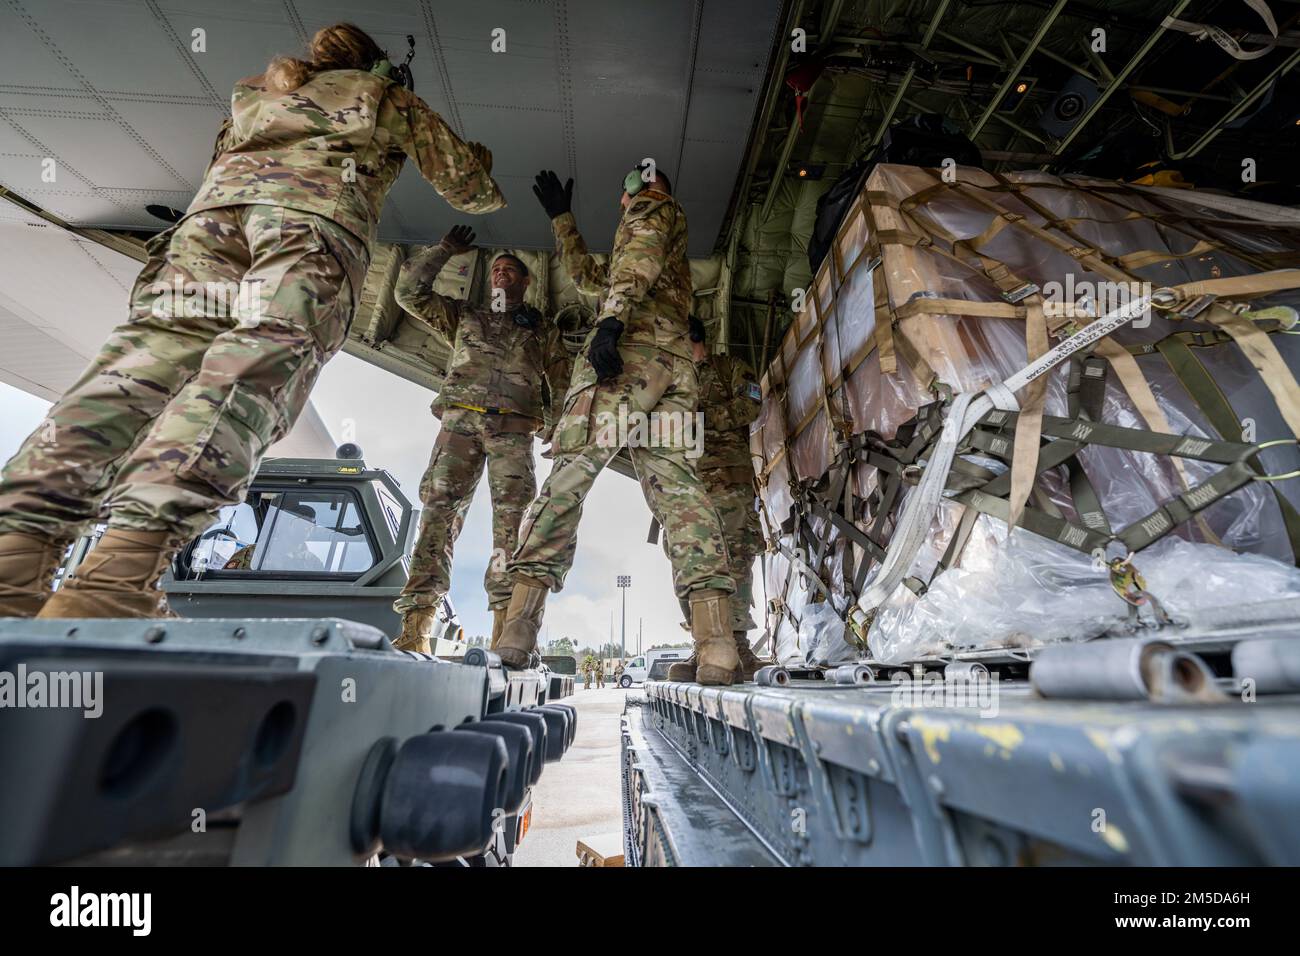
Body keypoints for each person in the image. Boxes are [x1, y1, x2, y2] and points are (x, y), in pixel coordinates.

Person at [0, 22, 503, 619]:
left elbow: (220, 159)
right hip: (309, 224)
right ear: (378, 67)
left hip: (209, 226)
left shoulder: (256, 94)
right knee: (246, 375)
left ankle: (15, 557)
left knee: (132, 370)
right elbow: (472, 191)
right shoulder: (383, 97)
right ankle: (117, 580)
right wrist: (479, 161)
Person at [494, 165, 740, 686]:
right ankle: (717, 644)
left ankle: (517, 628)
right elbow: (592, 276)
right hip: (675, 371)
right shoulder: (659, 252)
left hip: (627, 359)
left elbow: (634, 260)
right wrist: (562, 220)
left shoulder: (653, 207)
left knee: (571, 477)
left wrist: (611, 321)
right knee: (679, 491)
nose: (625, 199)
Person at [388, 226, 569, 653]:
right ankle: (417, 626)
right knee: (438, 515)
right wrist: (444, 249)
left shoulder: (542, 329)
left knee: (512, 529)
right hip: (460, 426)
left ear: (527, 283)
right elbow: (408, 292)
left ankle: (506, 630)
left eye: (511, 271)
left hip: (514, 430)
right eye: (497, 270)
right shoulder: (465, 315)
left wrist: (561, 430)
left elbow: (562, 382)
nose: (502, 274)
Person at [667, 317, 768, 681]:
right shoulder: (668, 380)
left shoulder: (728, 368)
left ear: (691, 338)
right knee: (688, 562)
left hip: (728, 482)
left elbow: (752, 404)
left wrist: (703, 419)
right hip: (683, 485)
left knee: (736, 559)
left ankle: (737, 645)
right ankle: (706, 645)